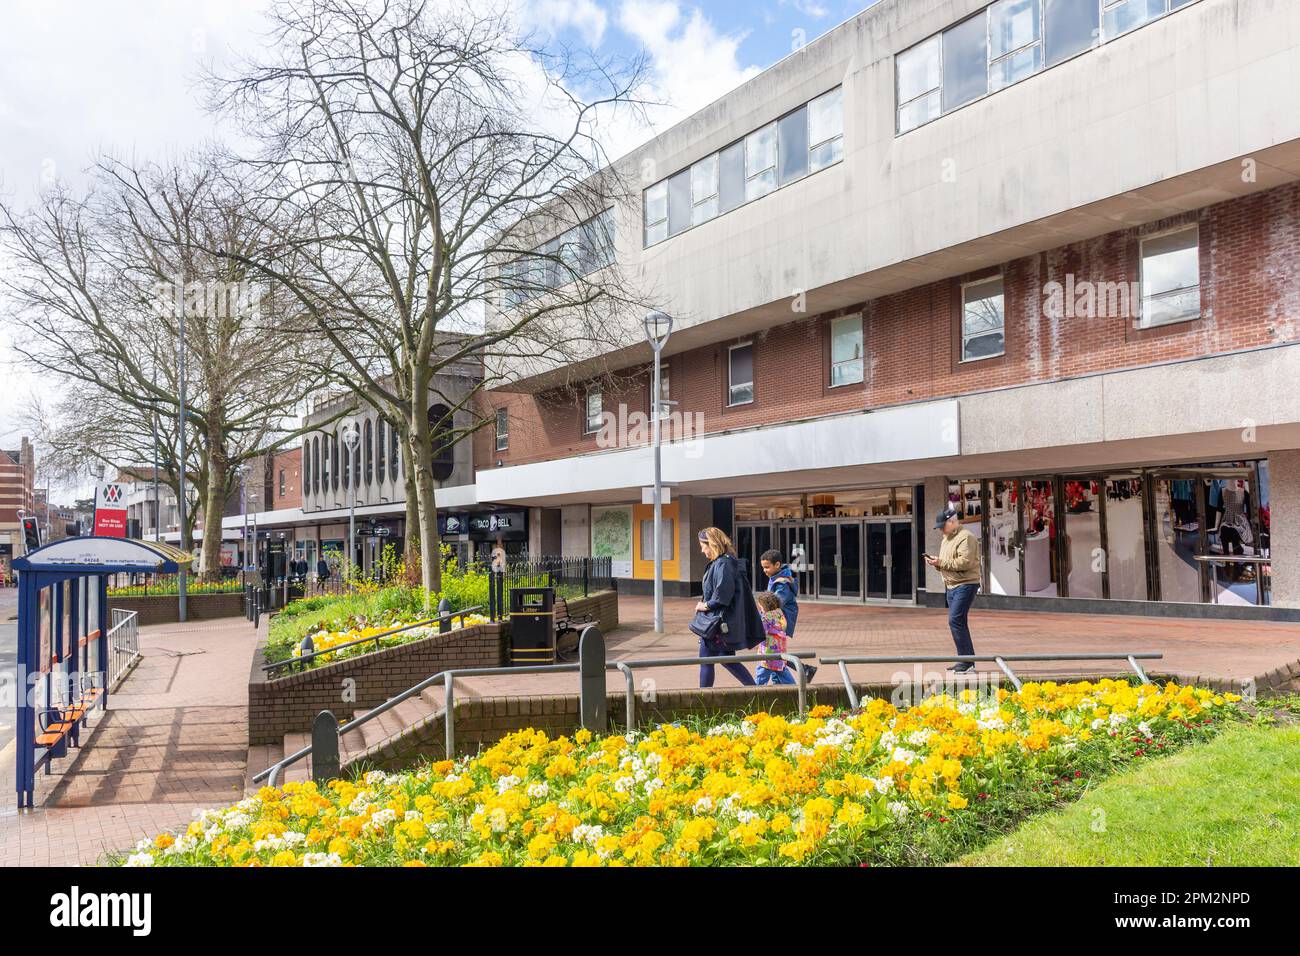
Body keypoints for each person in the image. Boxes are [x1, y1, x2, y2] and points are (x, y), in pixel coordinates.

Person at [694, 527, 757, 688]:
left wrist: (705, 605)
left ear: (712, 544)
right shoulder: (725, 562)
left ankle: (703, 697)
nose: (702, 550)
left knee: (706, 660)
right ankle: (755, 691)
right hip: (723, 622)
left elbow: (722, 595)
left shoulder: (723, 564)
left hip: (717, 623)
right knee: (727, 660)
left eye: (703, 546)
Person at [925, 507, 980, 673]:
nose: (940, 530)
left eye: (942, 526)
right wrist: (936, 563)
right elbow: (948, 562)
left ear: (952, 522)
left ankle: (967, 661)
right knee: (958, 621)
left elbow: (965, 563)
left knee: (955, 620)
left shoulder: (966, 537)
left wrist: (941, 563)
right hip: (951, 585)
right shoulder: (946, 539)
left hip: (966, 584)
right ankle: (966, 660)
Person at [759, 548, 816, 684]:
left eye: (767, 567)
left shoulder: (782, 583)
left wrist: (763, 613)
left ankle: (800, 673)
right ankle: (796, 673)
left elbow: (776, 603)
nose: (764, 570)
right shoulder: (776, 578)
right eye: (763, 567)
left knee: (774, 654)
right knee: (774, 654)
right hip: (777, 620)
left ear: (777, 565)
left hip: (779, 622)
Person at [753, 591, 795, 685]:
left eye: (761, 608)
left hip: (768, 651)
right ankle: (795, 689)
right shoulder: (779, 613)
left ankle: (755, 691)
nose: (761, 610)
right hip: (780, 649)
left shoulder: (767, 617)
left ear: (766, 606)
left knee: (761, 673)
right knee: (782, 671)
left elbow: (761, 631)